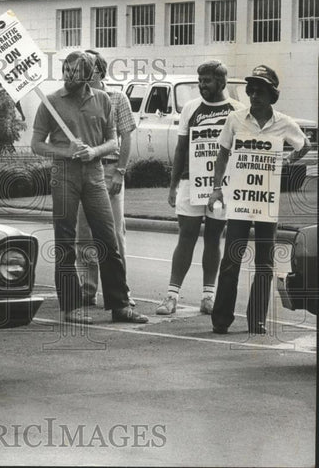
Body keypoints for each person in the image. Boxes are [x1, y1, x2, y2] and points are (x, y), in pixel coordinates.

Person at [31, 50, 149, 325]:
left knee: (107, 238)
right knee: (65, 239)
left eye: (74, 72)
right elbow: (37, 144)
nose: (68, 77)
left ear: (89, 74)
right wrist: (65, 150)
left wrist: (93, 151)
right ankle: (71, 307)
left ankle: (120, 305)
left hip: (95, 174)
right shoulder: (50, 103)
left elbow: (113, 142)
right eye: (66, 71)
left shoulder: (104, 99)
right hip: (64, 175)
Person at [207, 65, 310, 335]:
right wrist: (217, 188)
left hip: (266, 201)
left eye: (261, 90)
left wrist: (288, 160)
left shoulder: (284, 123)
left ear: (272, 94)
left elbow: (305, 145)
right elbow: (222, 154)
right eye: (251, 89)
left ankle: (257, 320)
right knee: (231, 259)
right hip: (240, 199)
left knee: (264, 262)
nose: (254, 95)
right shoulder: (235, 119)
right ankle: (221, 320)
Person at [155, 60, 245, 316]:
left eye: (207, 81)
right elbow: (181, 148)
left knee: (214, 237)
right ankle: (172, 296)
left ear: (221, 82)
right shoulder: (191, 108)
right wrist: (173, 186)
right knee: (187, 235)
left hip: (221, 186)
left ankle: (208, 296)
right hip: (189, 181)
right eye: (200, 81)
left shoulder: (237, 111)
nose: (201, 85)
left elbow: (239, 152)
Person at [76, 49, 136, 308]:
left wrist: (121, 172)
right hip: (83, 171)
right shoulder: (75, 99)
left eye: (85, 69)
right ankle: (87, 289)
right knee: (84, 233)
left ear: (99, 71)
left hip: (110, 170)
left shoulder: (117, 97)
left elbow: (126, 137)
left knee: (114, 234)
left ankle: (120, 290)